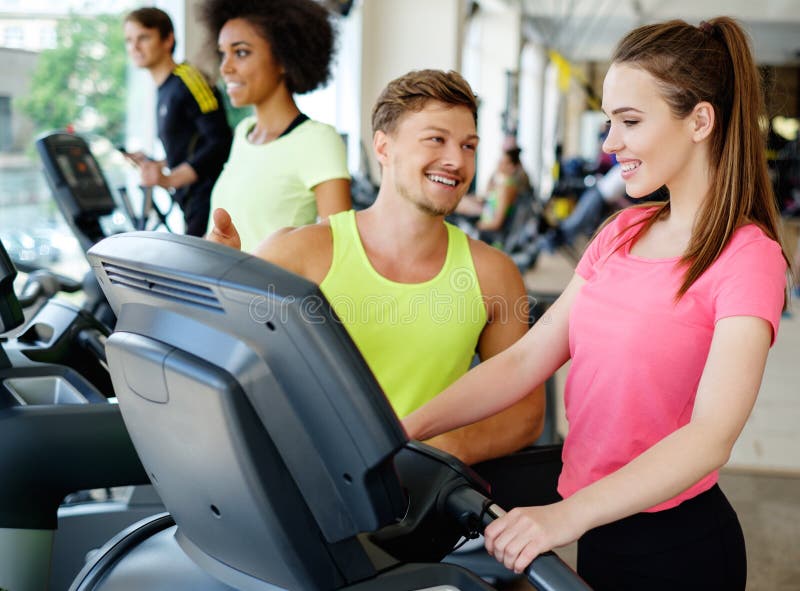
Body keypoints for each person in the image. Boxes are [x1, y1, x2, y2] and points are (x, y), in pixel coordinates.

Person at [403, 17, 790, 590]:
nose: (610, 143)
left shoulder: (747, 258)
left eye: (630, 121)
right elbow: (523, 360)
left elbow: (710, 435)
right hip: (601, 530)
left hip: (678, 549)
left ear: (700, 121)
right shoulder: (621, 232)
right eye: (610, 121)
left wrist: (563, 517)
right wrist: (403, 427)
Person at [209, 69, 544, 465]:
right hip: (309, 492)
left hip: (422, 498)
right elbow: (218, 370)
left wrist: (426, 455)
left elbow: (524, 415)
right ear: (383, 148)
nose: (456, 160)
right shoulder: (299, 253)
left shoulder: (493, 274)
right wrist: (214, 284)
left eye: (469, 146)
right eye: (436, 139)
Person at [200, 0, 352, 253]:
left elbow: (340, 249)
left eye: (241, 52)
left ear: (283, 59)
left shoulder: (318, 140)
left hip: (271, 292)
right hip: (218, 289)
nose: (225, 67)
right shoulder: (244, 133)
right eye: (223, 54)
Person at [123, 7, 232, 237]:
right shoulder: (164, 89)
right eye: (129, 40)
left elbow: (220, 141)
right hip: (190, 203)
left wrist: (171, 178)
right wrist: (159, 163)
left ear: (168, 39)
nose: (134, 47)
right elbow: (192, 145)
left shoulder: (188, 79)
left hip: (210, 203)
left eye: (143, 37)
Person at [456, 138, 531, 236]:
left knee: (458, 204)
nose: (498, 165)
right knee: (460, 202)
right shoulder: (503, 184)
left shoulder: (506, 188)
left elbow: (496, 223)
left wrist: (476, 226)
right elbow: (488, 193)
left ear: (511, 167)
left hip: (489, 232)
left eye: (502, 162)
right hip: (485, 218)